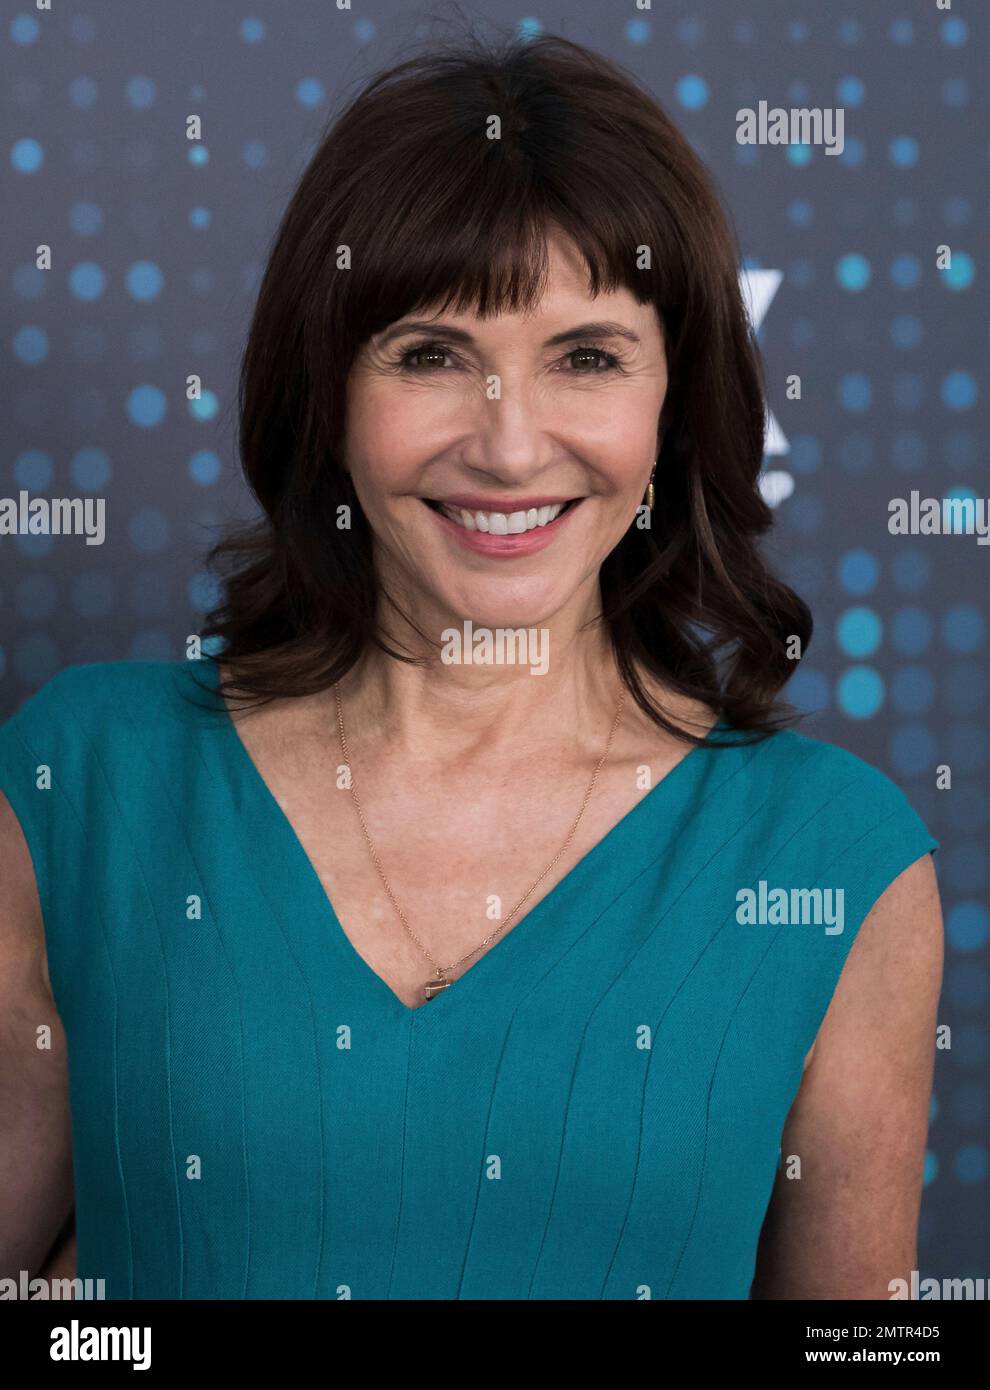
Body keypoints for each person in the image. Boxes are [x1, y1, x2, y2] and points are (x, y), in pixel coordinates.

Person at [0, 32, 942, 1301]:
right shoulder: (82, 784)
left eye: (588, 357)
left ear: (678, 403)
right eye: (432, 353)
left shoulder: (835, 859)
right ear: (327, 392)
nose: (508, 445)